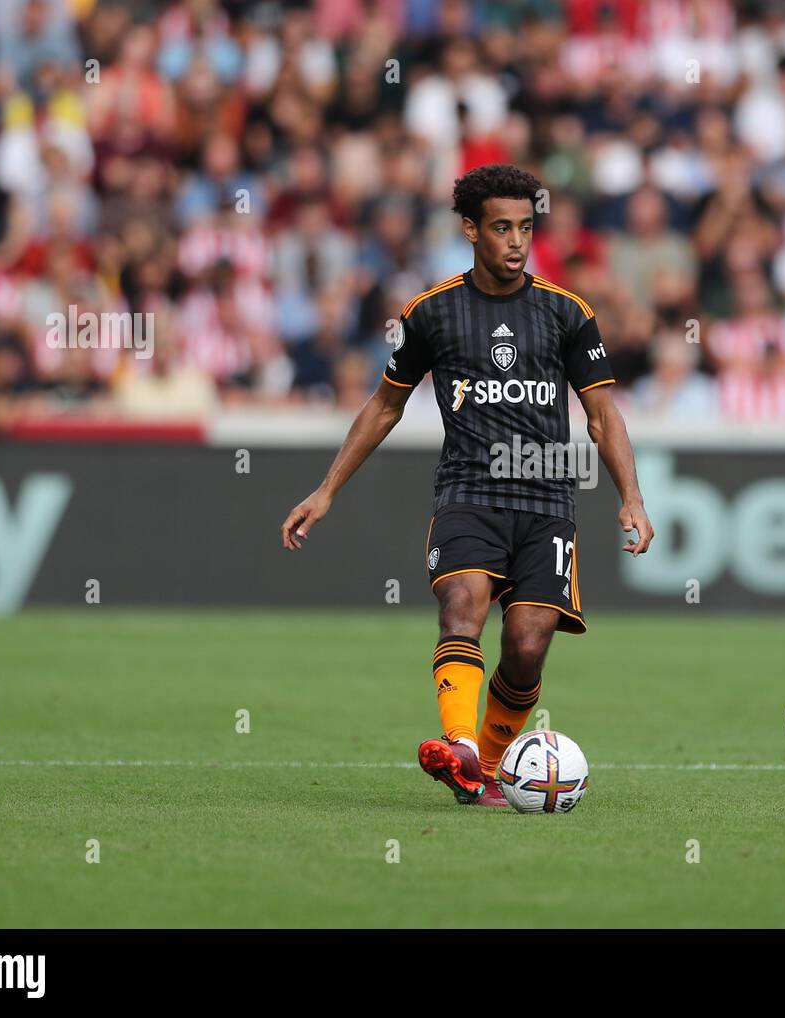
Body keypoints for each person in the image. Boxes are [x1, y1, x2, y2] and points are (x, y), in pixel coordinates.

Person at [279, 164, 655, 804]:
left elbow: (601, 414)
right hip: (468, 493)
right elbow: (383, 406)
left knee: (528, 642)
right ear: (471, 231)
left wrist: (632, 497)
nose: (516, 241)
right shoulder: (431, 314)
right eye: (502, 228)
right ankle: (459, 748)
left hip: (546, 496)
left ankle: (481, 761)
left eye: (526, 228)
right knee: (462, 607)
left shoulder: (568, 314)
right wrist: (326, 489)